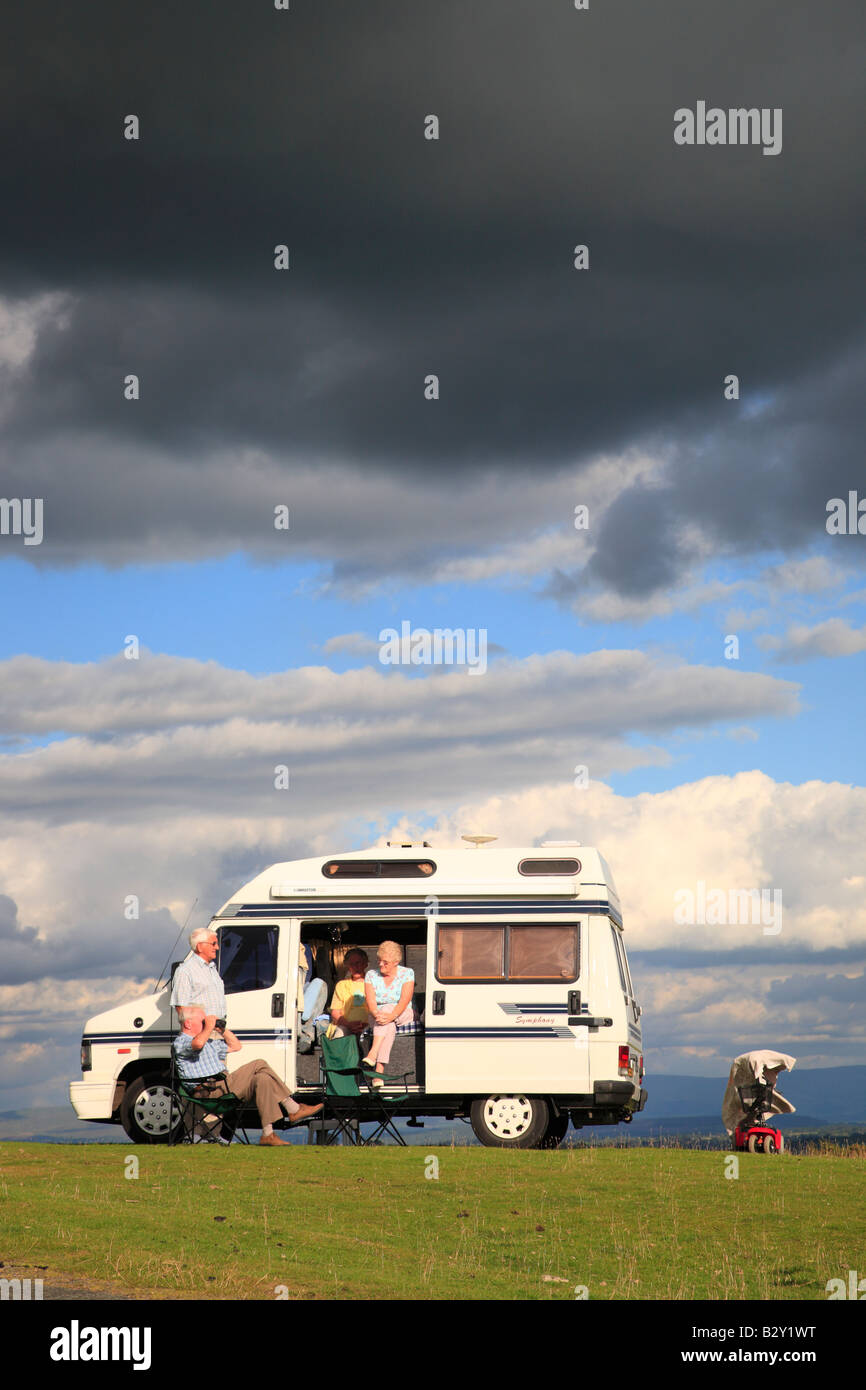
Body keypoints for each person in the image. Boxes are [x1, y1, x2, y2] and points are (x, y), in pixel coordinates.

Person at [173, 1007, 323, 1146]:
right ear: (188, 1023)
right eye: (202, 1021)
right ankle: (293, 1108)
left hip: (222, 1086)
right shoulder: (181, 1042)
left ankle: (268, 1134)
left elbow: (236, 1046)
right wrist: (208, 1028)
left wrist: (221, 1029)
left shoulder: (209, 1042)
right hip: (209, 1088)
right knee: (259, 1063)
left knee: (262, 1079)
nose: (206, 1023)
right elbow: (197, 1044)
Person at [363, 941, 415, 1082]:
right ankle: (379, 1072)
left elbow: (405, 1000)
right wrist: (378, 1015)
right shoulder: (371, 975)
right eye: (379, 961)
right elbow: (371, 1002)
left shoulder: (407, 973)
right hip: (378, 1016)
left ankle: (373, 1053)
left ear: (395, 962)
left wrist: (391, 1015)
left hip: (402, 1012)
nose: (380, 965)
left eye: (385, 962)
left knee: (386, 1011)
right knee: (388, 1026)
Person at [170, 926, 225, 1027]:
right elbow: (181, 1006)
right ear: (200, 947)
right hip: (200, 1031)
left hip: (217, 1030)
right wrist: (192, 1029)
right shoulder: (185, 970)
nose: (217, 947)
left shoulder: (212, 968)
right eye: (213, 944)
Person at [325, 949, 370, 1039]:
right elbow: (335, 1012)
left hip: (369, 1026)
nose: (355, 967)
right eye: (351, 964)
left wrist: (366, 1024)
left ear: (365, 964)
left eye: (358, 963)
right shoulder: (341, 985)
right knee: (339, 1033)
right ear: (347, 966)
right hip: (346, 1026)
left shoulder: (374, 983)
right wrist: (349, 1025)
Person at [297, 942, 328, 1052]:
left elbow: (307, 976)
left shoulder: (304, 949)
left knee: (319, 984)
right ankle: (306, 1036)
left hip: (303, 987)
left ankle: (307, 1036)